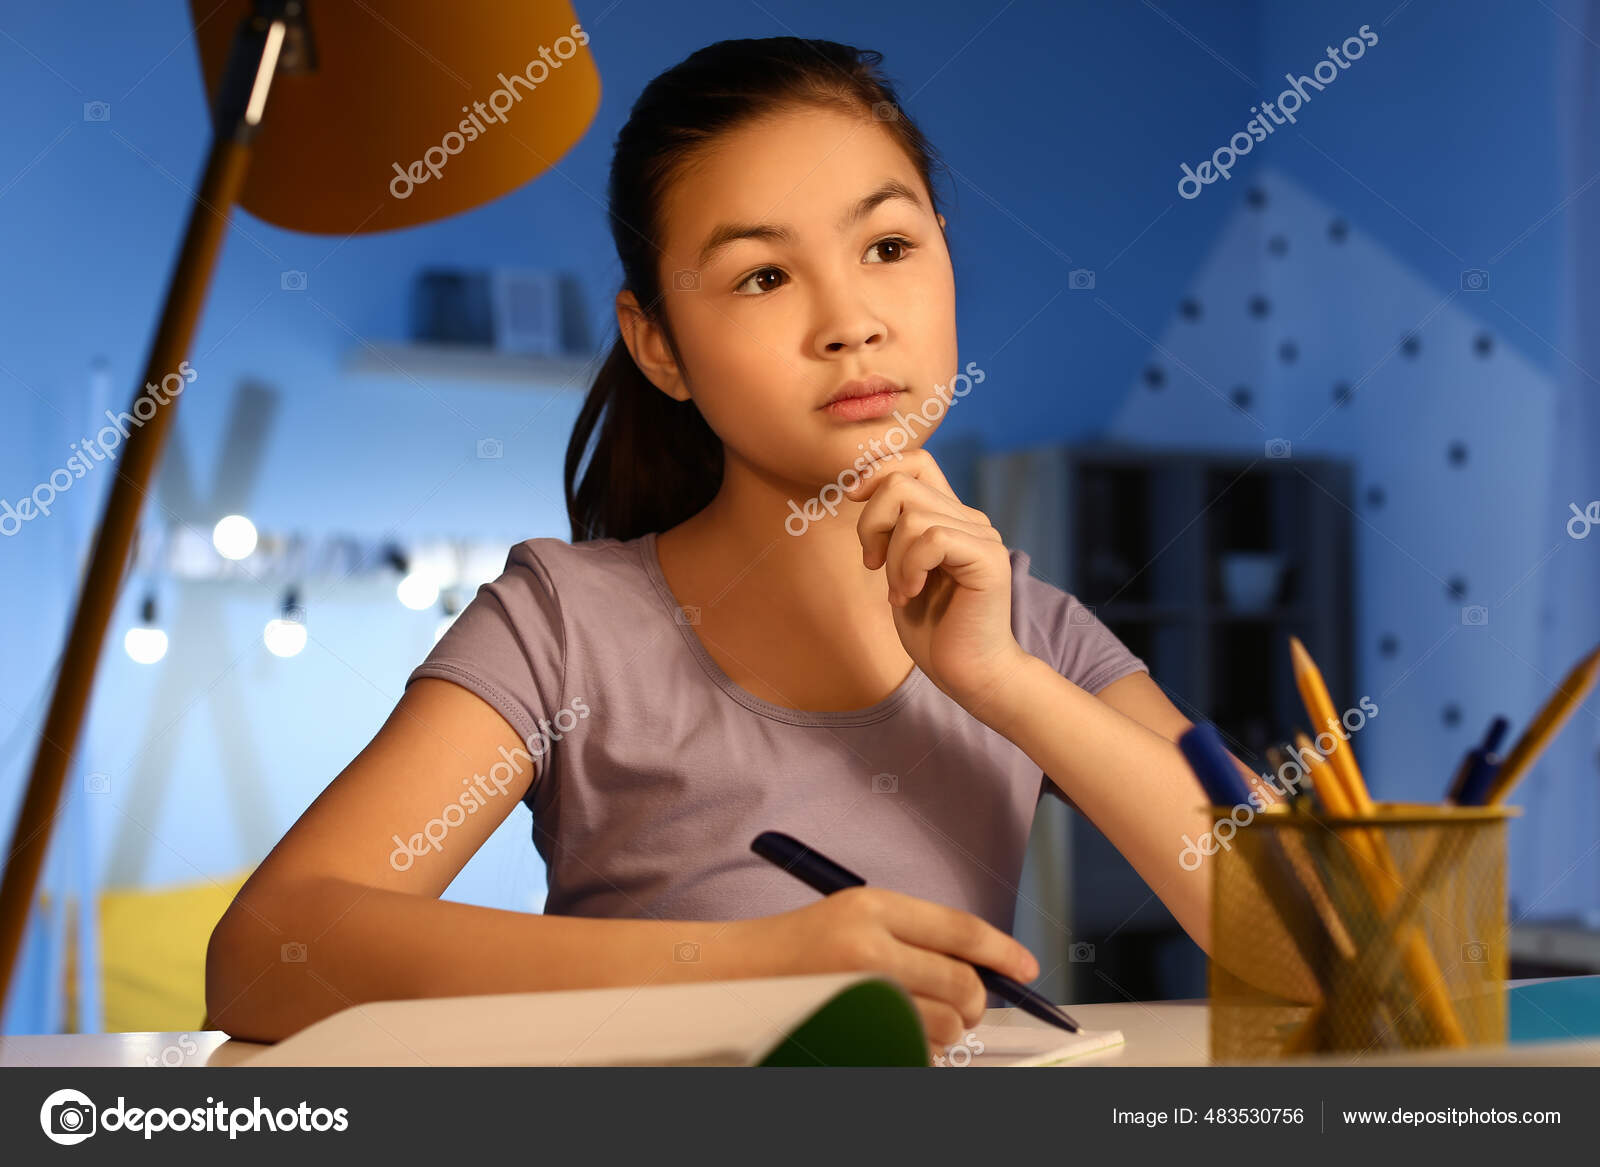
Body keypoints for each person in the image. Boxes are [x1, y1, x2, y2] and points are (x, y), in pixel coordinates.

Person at [207, 36, 1259, 1057]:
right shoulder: (564, 624)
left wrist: (1003, 681)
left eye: (888, 248)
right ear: (659, 344)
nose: (849, 322)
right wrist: (751, 969)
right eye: (763, 277)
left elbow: (1318, 941)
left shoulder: (1031, 633)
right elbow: (265, 954)